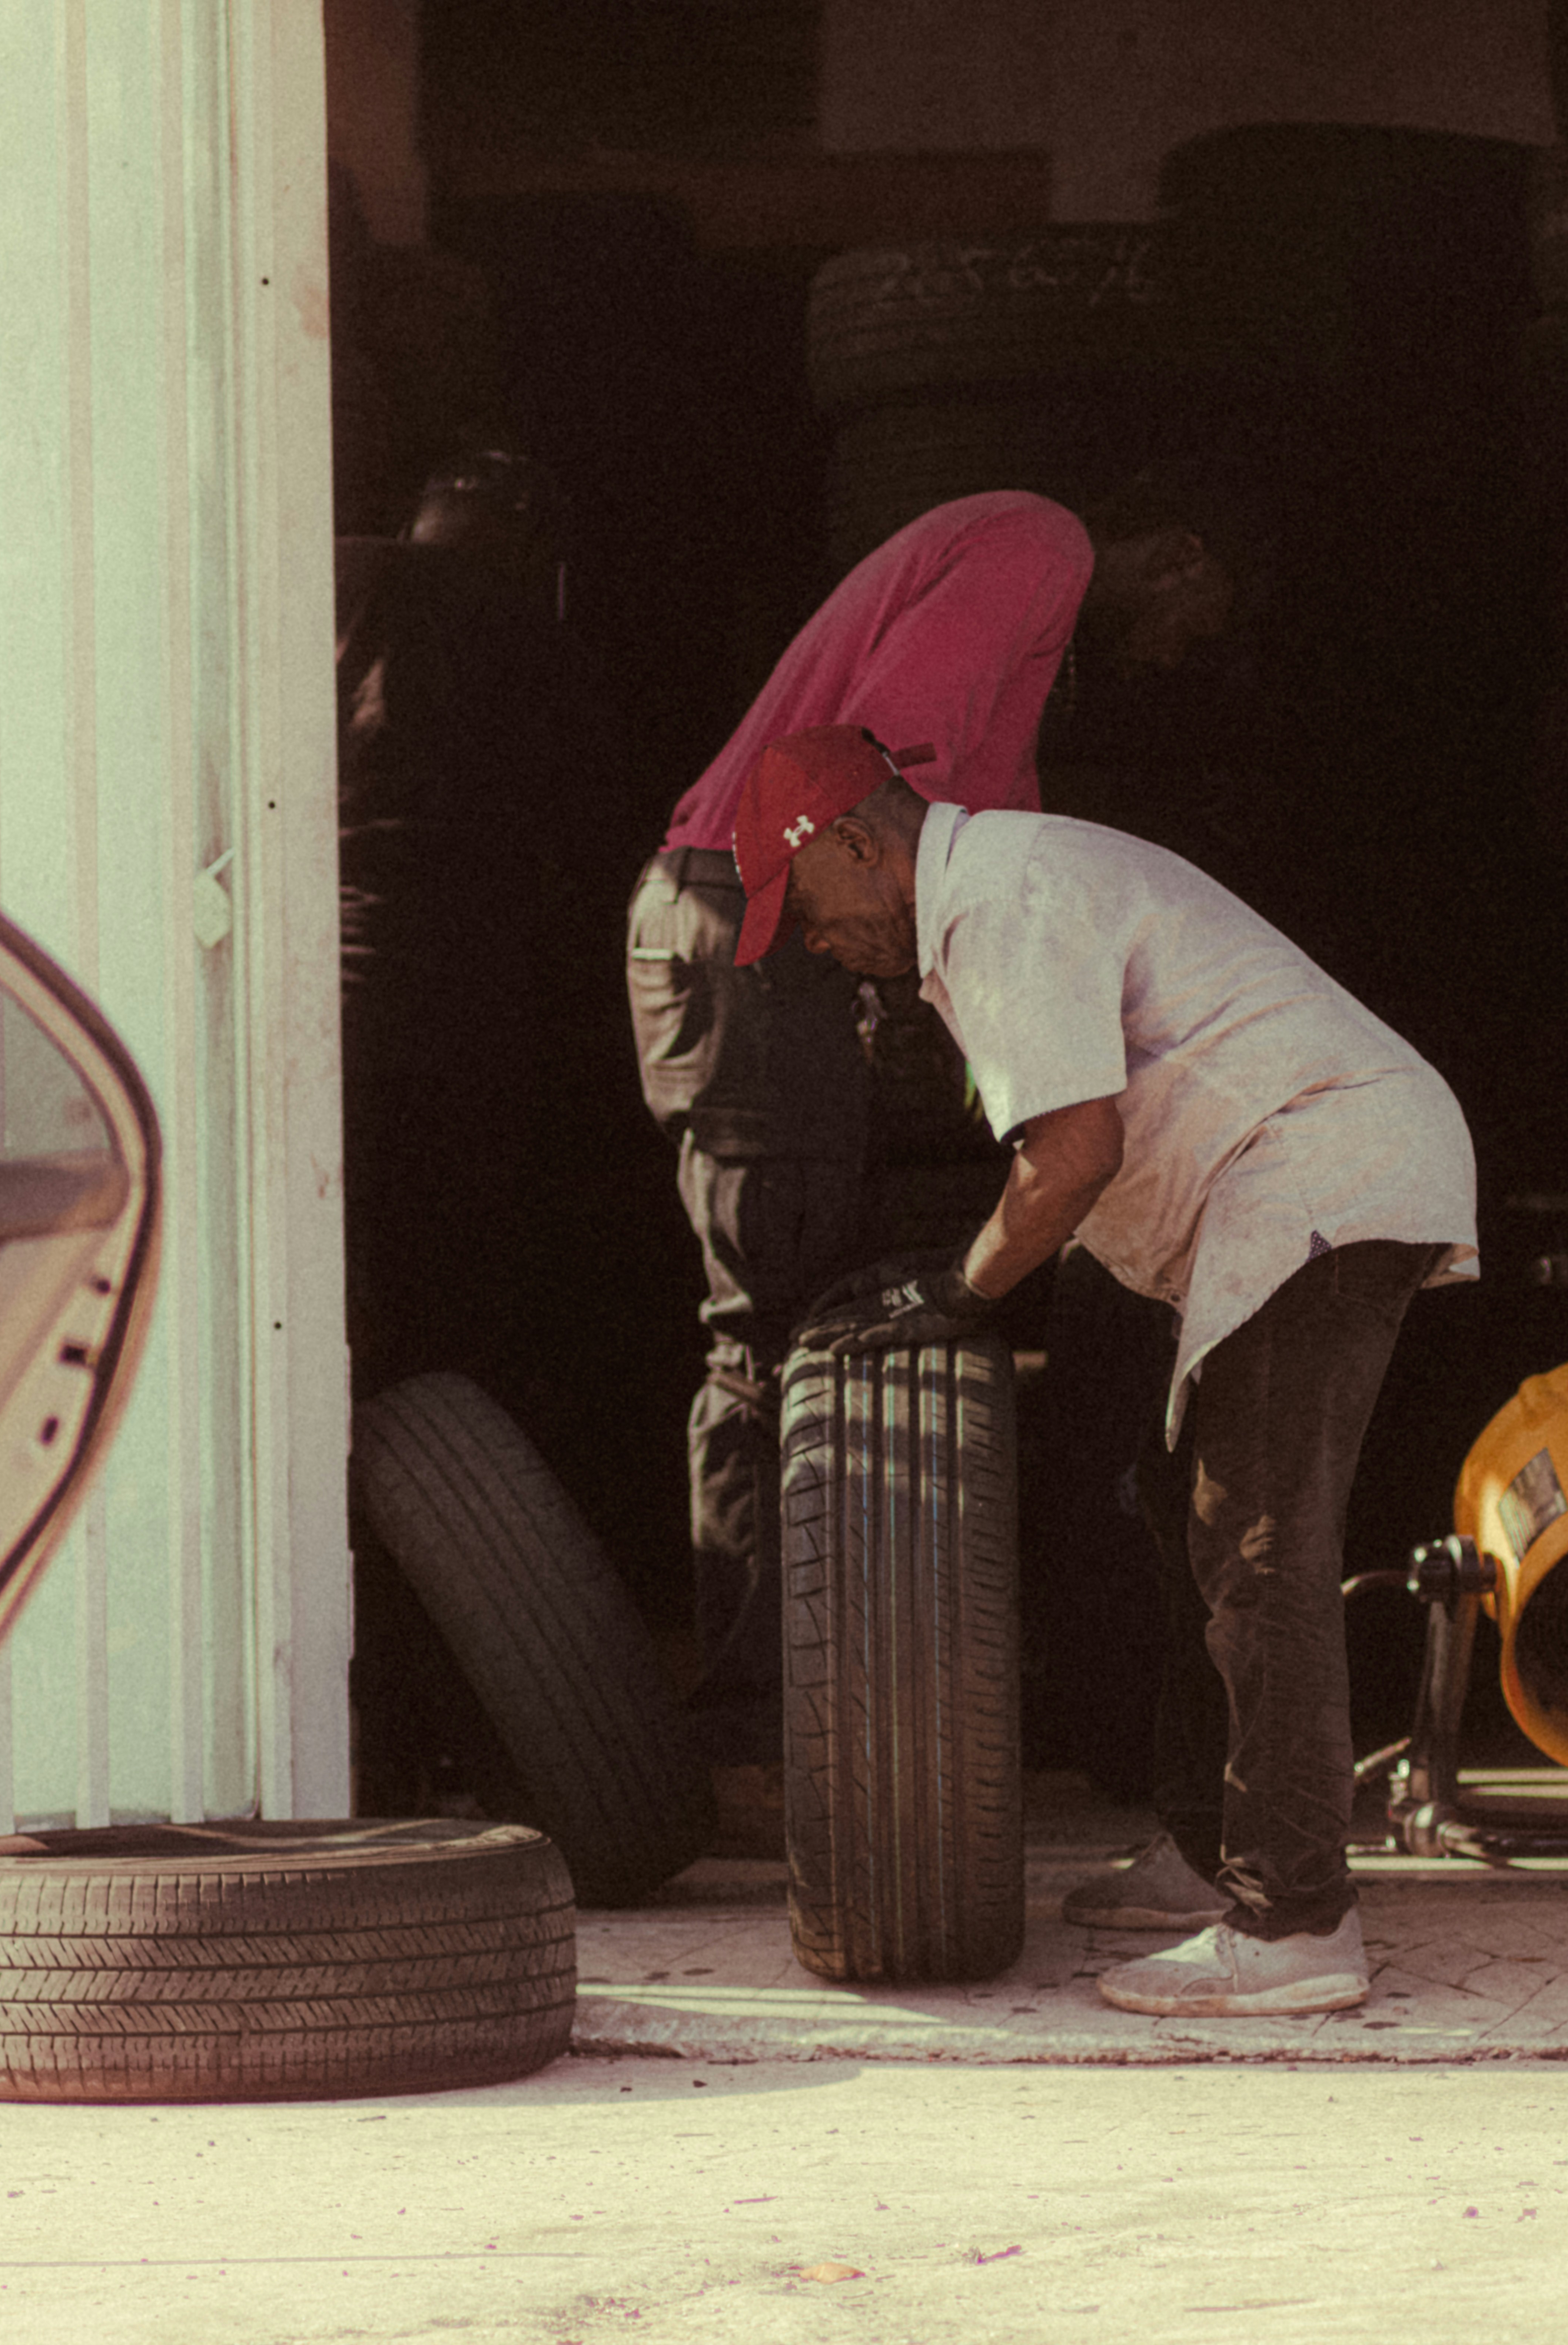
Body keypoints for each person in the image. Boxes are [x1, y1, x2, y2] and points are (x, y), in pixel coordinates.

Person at [752, 723, 1478, 2018]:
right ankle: (1210, 1855)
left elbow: (1073, 1151)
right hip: (1288, 1184)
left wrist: (958, 1291)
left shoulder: (1004, 902)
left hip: (1323, 1172)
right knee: (1176, 1507)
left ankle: (1295, 1919)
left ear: (860, 844)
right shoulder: (999, 897)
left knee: (1259, 1549)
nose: (812, 944)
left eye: (806, 909)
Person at [625, 483, 1243, 1848]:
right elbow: (880, 756)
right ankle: (747, 1740)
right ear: (1181, 554)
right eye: (1206, 626)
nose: (1184, 664)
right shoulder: (1042, 542)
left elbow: (973, 877)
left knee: (821, 1310)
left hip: (761, 925)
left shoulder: (1017, 714)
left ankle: (841, 1710)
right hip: (747, 913)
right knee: (769, 1336)